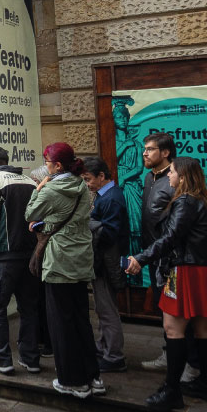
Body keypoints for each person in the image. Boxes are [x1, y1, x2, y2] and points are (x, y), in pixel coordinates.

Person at [127, 156, 207, 412]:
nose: (168, 176)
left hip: (185, 271)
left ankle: (172, 390)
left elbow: (170, 238)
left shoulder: (184, 201)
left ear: (183, 175)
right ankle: (206, 384)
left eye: (171, 172)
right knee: (202, 327)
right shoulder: (203, 201)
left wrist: (141, 258)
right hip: (203, 269)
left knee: (172, 329)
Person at [25, 142, 101, 400]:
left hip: (59, 261)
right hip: (80, 257)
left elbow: (30, 212)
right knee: (81, 319)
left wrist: (38, 189)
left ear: (57, 165)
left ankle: (72, 380)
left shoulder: (53, 188)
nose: (44, 167)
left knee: (61, 323)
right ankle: (93, 376)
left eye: (47, 162)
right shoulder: (79, 184)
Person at [139, 132, 199, 379]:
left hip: (171, 257)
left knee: (182, 313)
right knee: (163, 310)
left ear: (165, 153)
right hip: (154, 257)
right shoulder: (148, 178)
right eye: (144, 149)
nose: (145, 153)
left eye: (150, 149)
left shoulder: (175, 181)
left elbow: (178, 222)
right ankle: (171, 353)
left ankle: (192, 363)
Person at [0, 146, 39, 375]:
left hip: (3, 256)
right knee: (29, 308)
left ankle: (2, 359)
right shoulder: (29, 181)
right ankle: (31, 358)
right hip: (29, 255)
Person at [82, 156, 130, 373]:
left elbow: (107, 233)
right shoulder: (108, 195)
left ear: (102, 176)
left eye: (88, 179)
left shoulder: (110, 198)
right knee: (103, 308)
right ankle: (104, 347)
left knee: (107, 309)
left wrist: (87, 222)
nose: (87, 184)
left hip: (106, 262)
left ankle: (114, 355)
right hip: (104, 261)